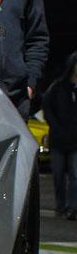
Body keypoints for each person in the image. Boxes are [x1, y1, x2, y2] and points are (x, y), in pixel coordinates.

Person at [43, 53, 77, 220]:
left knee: (75, 175)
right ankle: (60, 205)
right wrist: (56, 128)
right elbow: (47, 109)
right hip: (58, 139)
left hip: (75, 141)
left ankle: (72, 208)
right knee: (58, 175)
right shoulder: (58, 87)